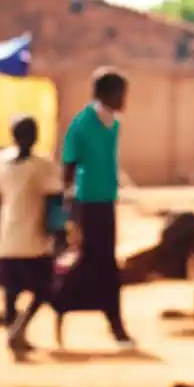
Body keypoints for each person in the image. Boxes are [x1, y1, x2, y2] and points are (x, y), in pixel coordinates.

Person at [49, 68, 134, 350]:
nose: (125, 99)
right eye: (121, 93)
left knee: (106, 263)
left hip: (106, 201)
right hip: (87, 203)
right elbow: (69, 164)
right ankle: (59, 301)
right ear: (106, 94)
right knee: (91, 260)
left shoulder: (114, 125)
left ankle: (113, 321)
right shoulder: (83, 123)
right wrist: (68, 207)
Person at [0, 117, 63, 357]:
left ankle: (14, 333)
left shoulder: (1, 160)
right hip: (33, 237)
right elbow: (54, 199)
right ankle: (19, 328)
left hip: (7, 235)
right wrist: (59, 232)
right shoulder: (42, 164)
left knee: (10, 291)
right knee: (44, 288)